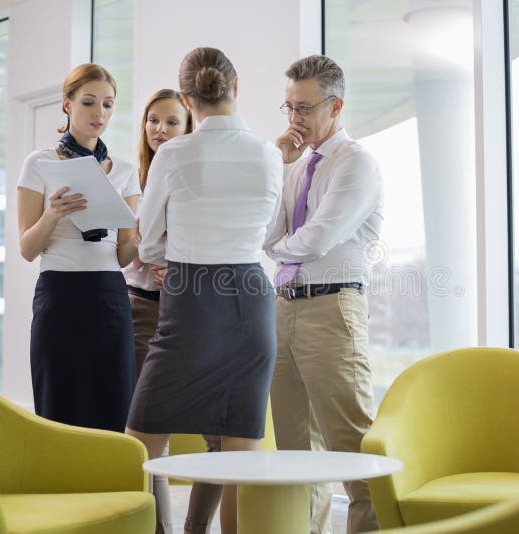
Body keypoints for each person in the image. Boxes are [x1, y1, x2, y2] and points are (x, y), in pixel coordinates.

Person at [126, 47, 283, 534]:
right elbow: (269, 232)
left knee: (139, 444)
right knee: (241, 458)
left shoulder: (174, 154)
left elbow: (148, 243)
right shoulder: (269, 154)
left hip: (190, 299)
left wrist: (174, 249)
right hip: (252, 298)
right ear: (236, 89)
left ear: (187, 99)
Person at [264, 55, 384, 534]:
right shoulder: (295, 167)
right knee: (296, 454)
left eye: (305, 108)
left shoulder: (355, 162)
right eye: (289, 107)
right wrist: (278, 165)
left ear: (336, 106)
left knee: (352, 447)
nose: (294, 119)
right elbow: (266, 231)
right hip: (284, 309)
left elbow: (316, 239)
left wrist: (277, 247)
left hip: (333, 309)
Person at [17, 63, 140, 432]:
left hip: (109, 297)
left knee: (114, 410)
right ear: (67, 104)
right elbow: (27, 248)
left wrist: (141, 238)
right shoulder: (39, 163)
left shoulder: (124, 170)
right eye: (88, 102)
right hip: (60, 296)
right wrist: (54, 213)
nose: (99, 113)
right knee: (58, 410)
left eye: (107, 104)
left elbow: (123, 254)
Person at [124, 88, 223, 534]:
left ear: (189, 128)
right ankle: (158, 529)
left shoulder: (200, 181)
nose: (160, 130)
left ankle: (195, 528)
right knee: (148, 436)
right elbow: (126, 251)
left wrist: (182, 267)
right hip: (142, 311)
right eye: (153, 121)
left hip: (196, 311)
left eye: (171, 122)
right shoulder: (131, 181)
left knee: (219, 434)